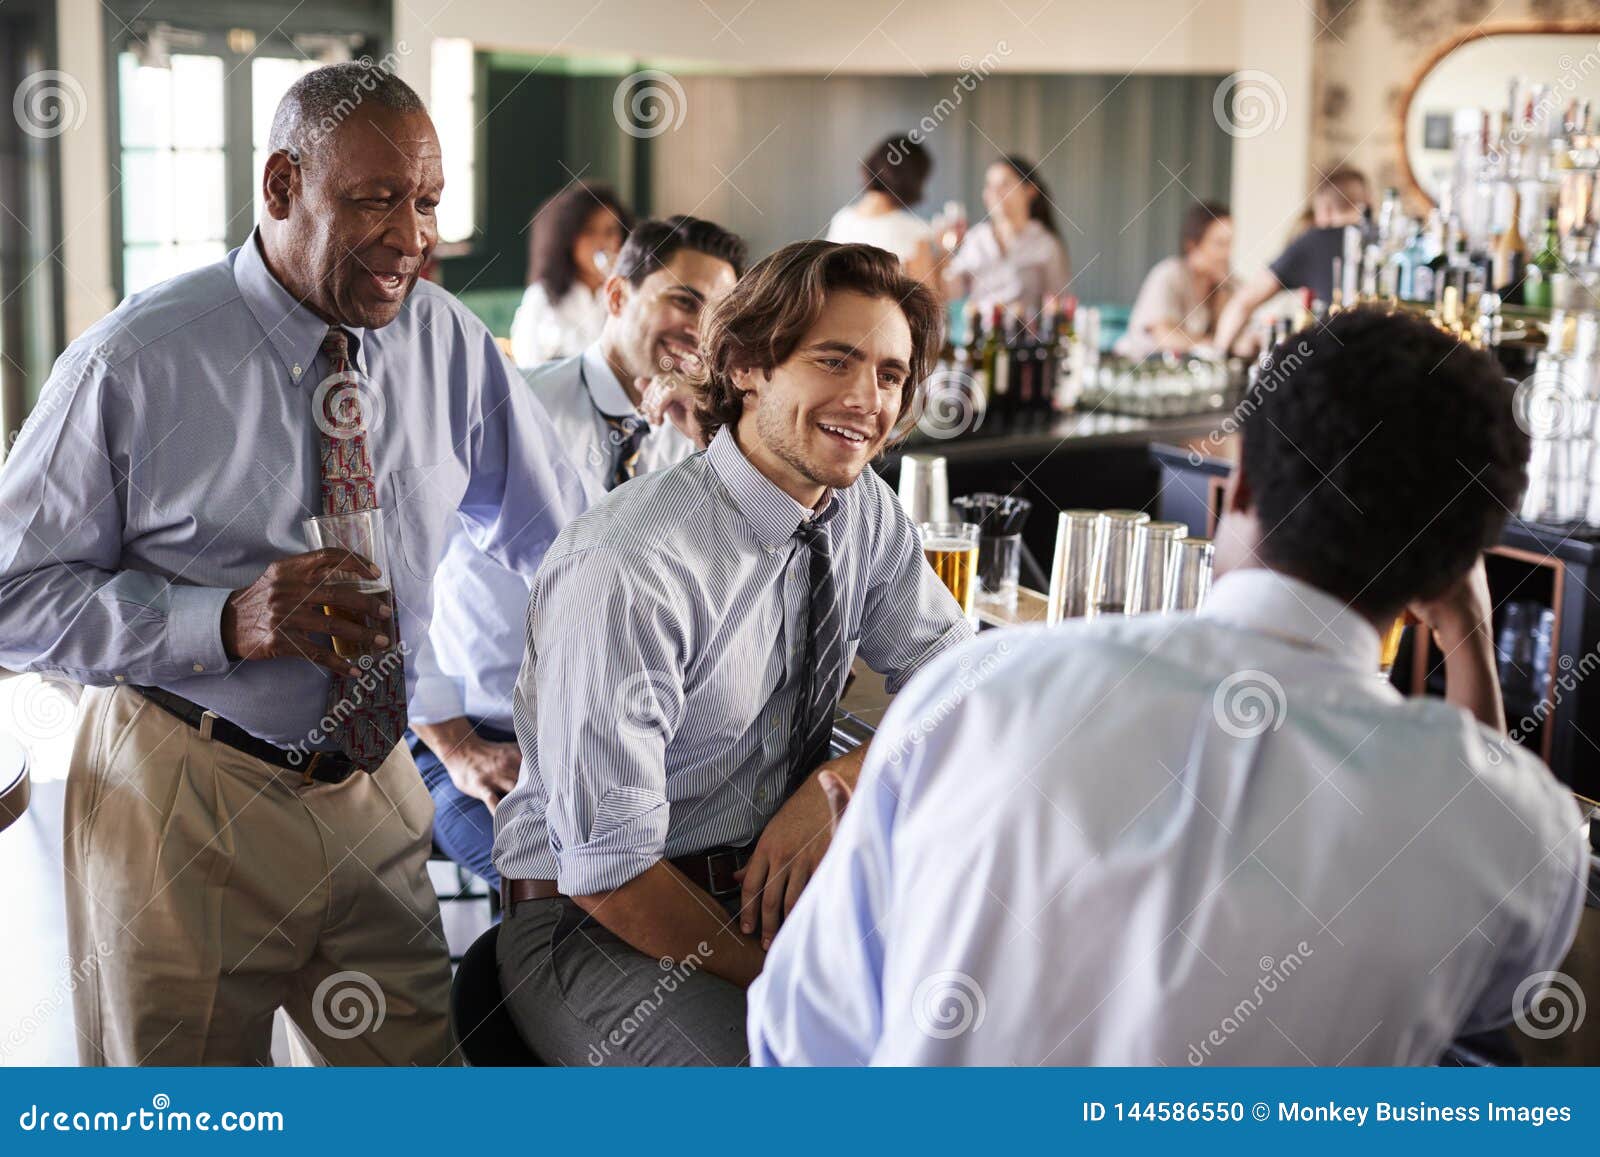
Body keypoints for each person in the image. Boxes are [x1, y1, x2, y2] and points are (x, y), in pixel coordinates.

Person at [749, 306, 1588, 1066]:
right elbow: (1479, 1014)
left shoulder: (978, 690)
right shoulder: (1514, 825)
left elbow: (799, 1035)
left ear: (1244, 484)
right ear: (1454, 567)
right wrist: (1468, 637)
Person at [0, 63, 589, 1066]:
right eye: (373, 201)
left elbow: (564, 543)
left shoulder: (444, 339)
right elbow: (15, 598)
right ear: (279, 188)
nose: (412, 237)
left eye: (427, 202)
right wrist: (220, 621)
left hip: (375, 785)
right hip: (183, 794)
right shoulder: (135, 363)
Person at [492, 241, 975, 1066]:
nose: (867, 399)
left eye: (891, 375)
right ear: (748, 364)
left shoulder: (864, 514)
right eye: (835, 360)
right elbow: (609, 871)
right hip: (602, 924)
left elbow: (961, 679)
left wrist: (839, 786)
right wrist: (785, 980)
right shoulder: (630, 565)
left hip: (774, 890)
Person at [407, 215, 747, 887]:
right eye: (683, 300)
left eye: (718, 313)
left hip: (639, 748)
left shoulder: (712, 444)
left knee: (713, 882)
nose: (700, 328)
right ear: (617, 297)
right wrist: (456, 746)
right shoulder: (511, 410)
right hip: (487, 734)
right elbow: (400, 573)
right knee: (573, 892)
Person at [1211, 168, 1370, 355]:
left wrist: (1218, 354)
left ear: (1325, 209)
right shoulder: (1386, 241)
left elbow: (1243, 303)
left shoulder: (1317, 240)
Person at [509, 182, 634, 367]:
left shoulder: (629, 294)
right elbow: (528, 365)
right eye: (589, 231)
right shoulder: (541, 297)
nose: (601, 242)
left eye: (610, 232)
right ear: (568, 238)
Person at [944, 154, 1069, 316]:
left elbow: (1059, 302)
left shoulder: (1046, 243)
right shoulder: (976, 238)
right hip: (979, 337)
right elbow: (952, 293)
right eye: (989, 185)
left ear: (1030, 190)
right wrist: (946, 252)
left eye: (1005, 184)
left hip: (1027, 338)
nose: (994, 192)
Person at [1116, 201, 1233, 360]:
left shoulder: (1226, 284)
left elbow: (1232, 337)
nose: (1226, 254)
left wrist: (1223, 294)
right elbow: (1165, 337)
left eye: (1230, 244)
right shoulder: (1169, 274)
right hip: (1141, 367)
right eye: (1219, 244)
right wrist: (1211, 344)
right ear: (1193, 246)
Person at [826, 136, 938, 285]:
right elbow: (929, 299)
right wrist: (945, 251)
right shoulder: (914, 230)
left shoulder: (841, 219)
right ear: (914, 182)